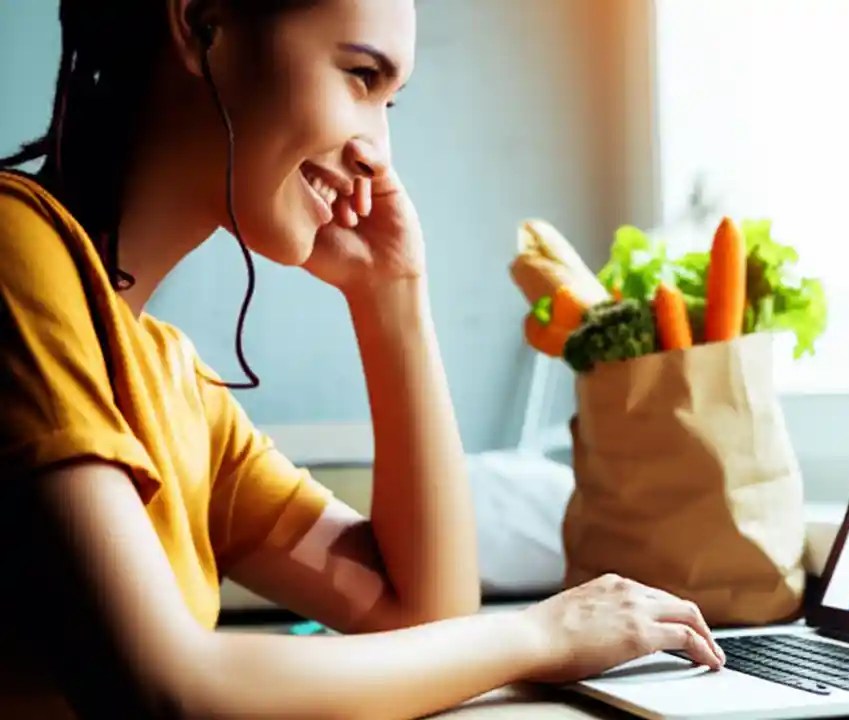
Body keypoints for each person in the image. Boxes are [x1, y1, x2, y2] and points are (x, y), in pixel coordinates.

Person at [0, 1, 725, 717]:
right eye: (358, 74)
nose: (377, 152)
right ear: (199, 24)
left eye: (391, 102)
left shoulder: (176, 384)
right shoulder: (12, 244)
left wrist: (393, 300)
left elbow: (425, 620)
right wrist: (540, 633)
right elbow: (167, 687)